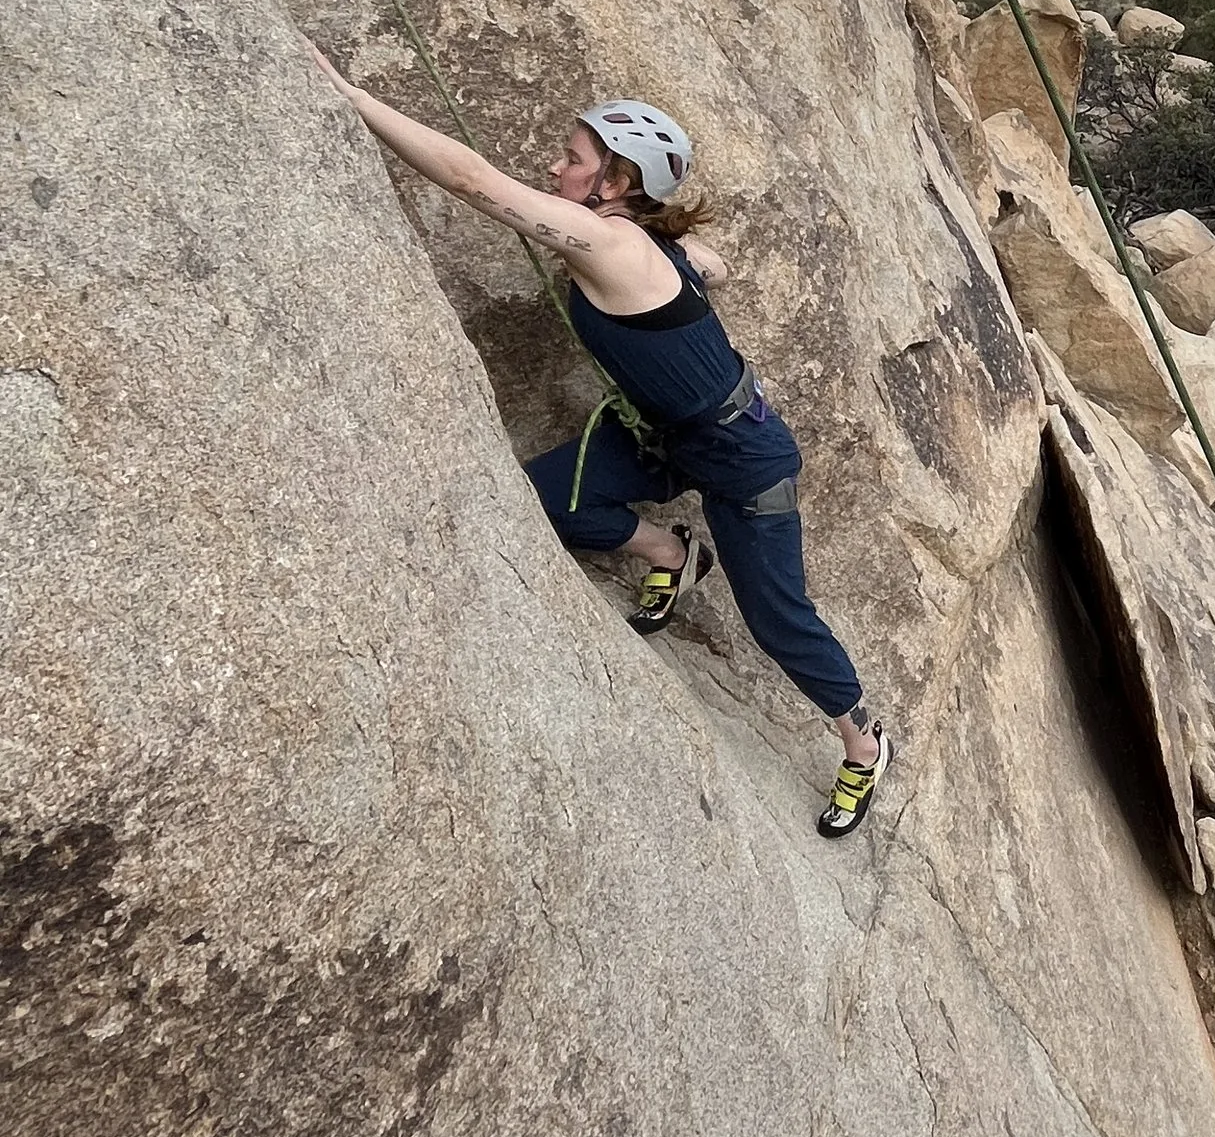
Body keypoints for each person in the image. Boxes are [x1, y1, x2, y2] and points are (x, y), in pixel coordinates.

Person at [307, 51, 890, 840]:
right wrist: (699, 266)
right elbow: (701, 263)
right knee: (551, 498)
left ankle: (862, 736)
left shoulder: (611, 245)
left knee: (777, 617)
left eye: (573, 160)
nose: (555, 166)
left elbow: (474, 181)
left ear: (614, 184)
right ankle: (671, 554)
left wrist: (351, 97)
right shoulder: (638, 237)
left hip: (743, 458)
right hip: (668, 435)